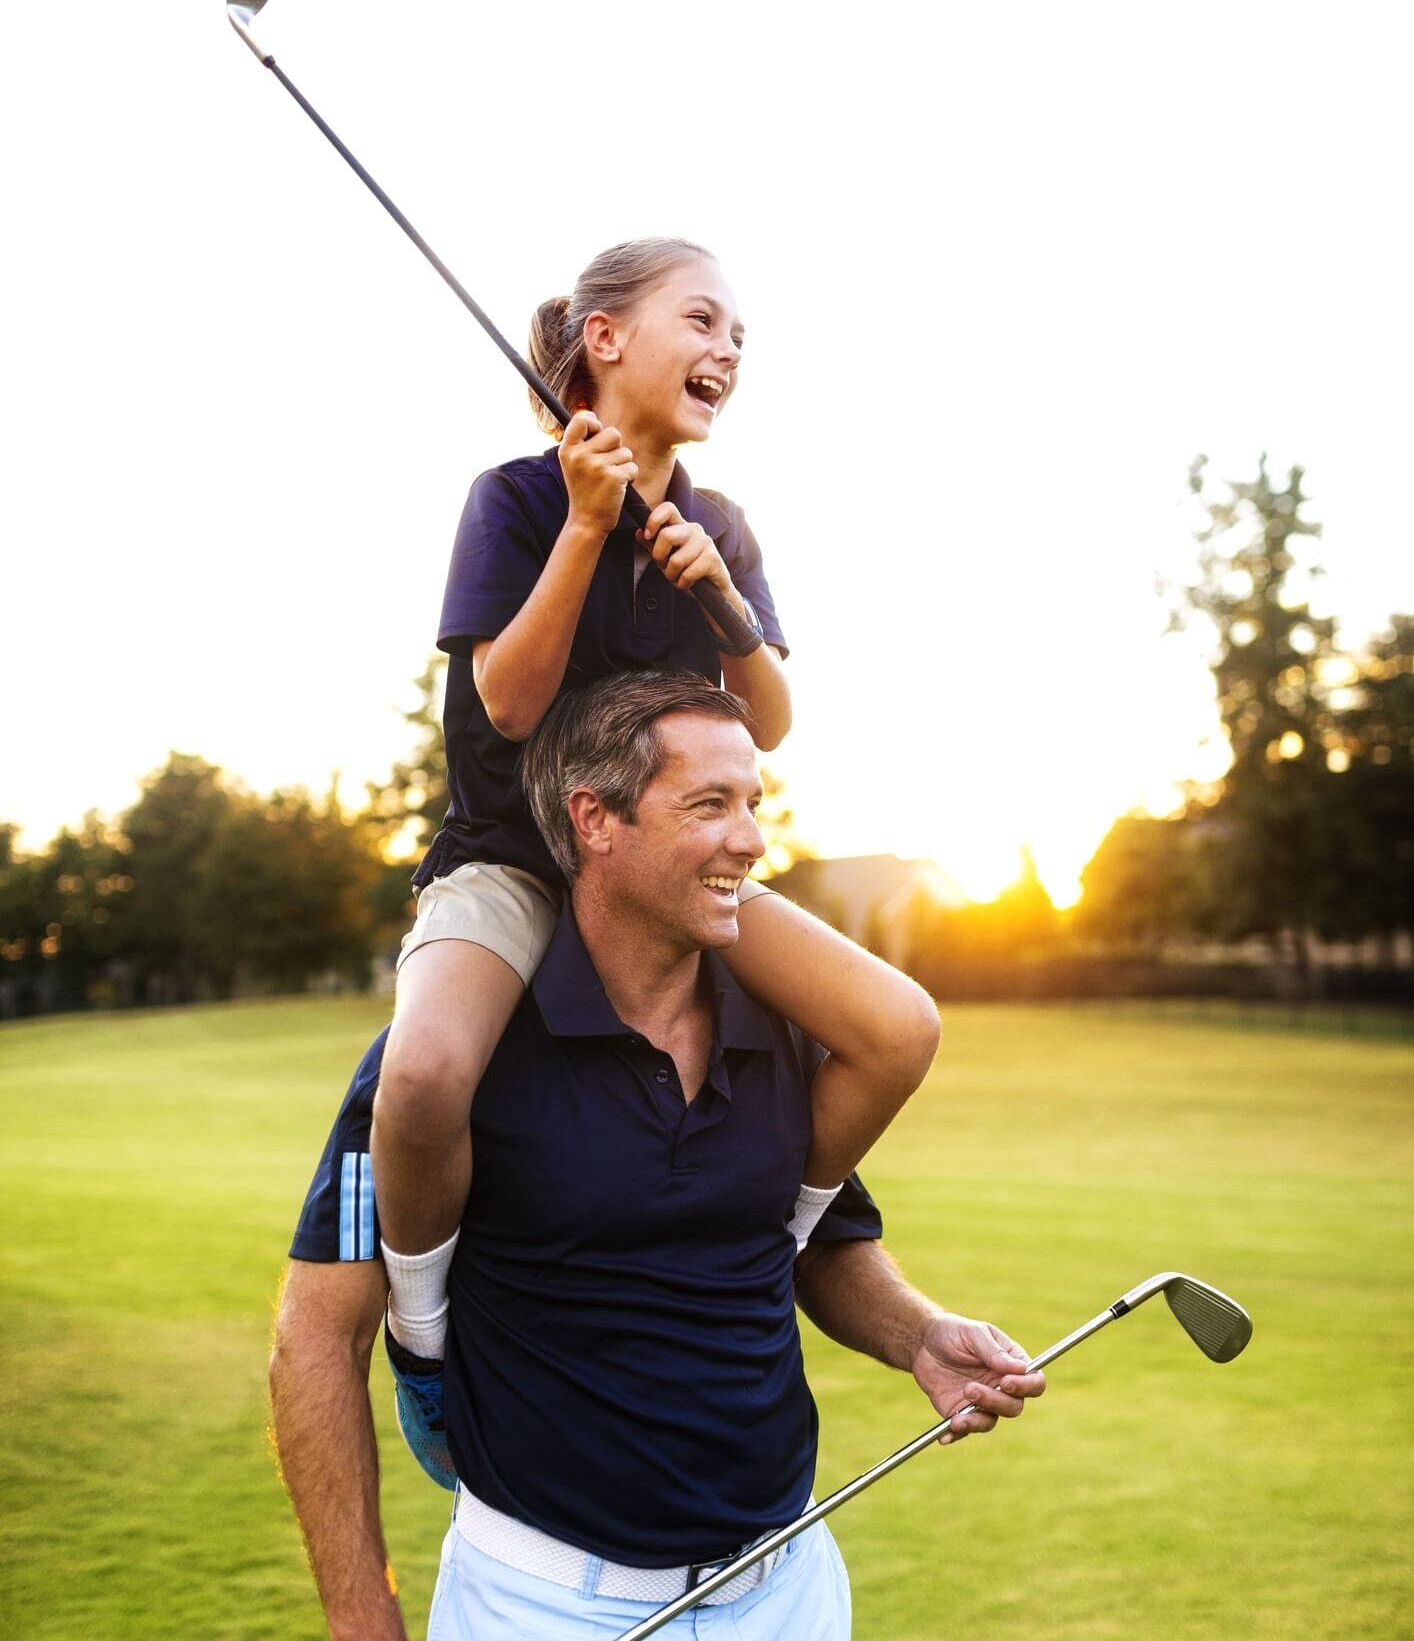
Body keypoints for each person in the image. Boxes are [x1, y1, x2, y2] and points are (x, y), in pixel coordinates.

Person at [271, 672, 1045, 1640]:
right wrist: (360, 1615)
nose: (753, 840)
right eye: (709, 804)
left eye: (753, 802)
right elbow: (317, 1337)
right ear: (595, 819)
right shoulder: (450, 1052)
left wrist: (917, 1333)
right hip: (541, 1604)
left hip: (787, 1586)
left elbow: (810, 1240)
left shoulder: (785, 1028)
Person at [371, 237, 941, 1389]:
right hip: (516, 861)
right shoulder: (517, 499)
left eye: (739, 336)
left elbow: (768, 720)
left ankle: (764, 1245)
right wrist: (588, 528)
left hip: (665, 872)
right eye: (704, 319)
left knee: (899, 1026)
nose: (727, 349)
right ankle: (423, 1332)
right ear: (605, 339)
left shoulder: (719, 522)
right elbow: (509, 701)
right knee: (426, 1071)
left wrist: (721, 600)